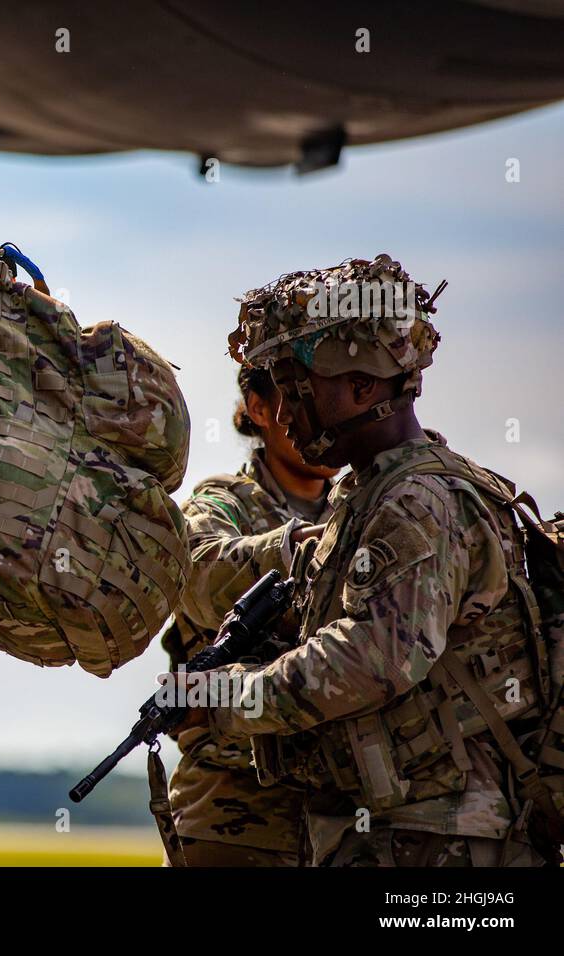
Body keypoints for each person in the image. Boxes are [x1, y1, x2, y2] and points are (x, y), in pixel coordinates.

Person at [195, 253, 559, 866]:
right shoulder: (368, 492)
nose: (283, 415)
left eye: (296, 392)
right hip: (405, 833)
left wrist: (228, 698)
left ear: (363, 386)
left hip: (441, 841)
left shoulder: (415, 501)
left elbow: (375, 657)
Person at [160, 366, 336, 865]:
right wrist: (297, 550)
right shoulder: (223, 502)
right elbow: (195, 575)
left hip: (350, 818)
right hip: (236, 814)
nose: (320, 417)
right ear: (259, 408)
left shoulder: (363, 507)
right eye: (298, 399)